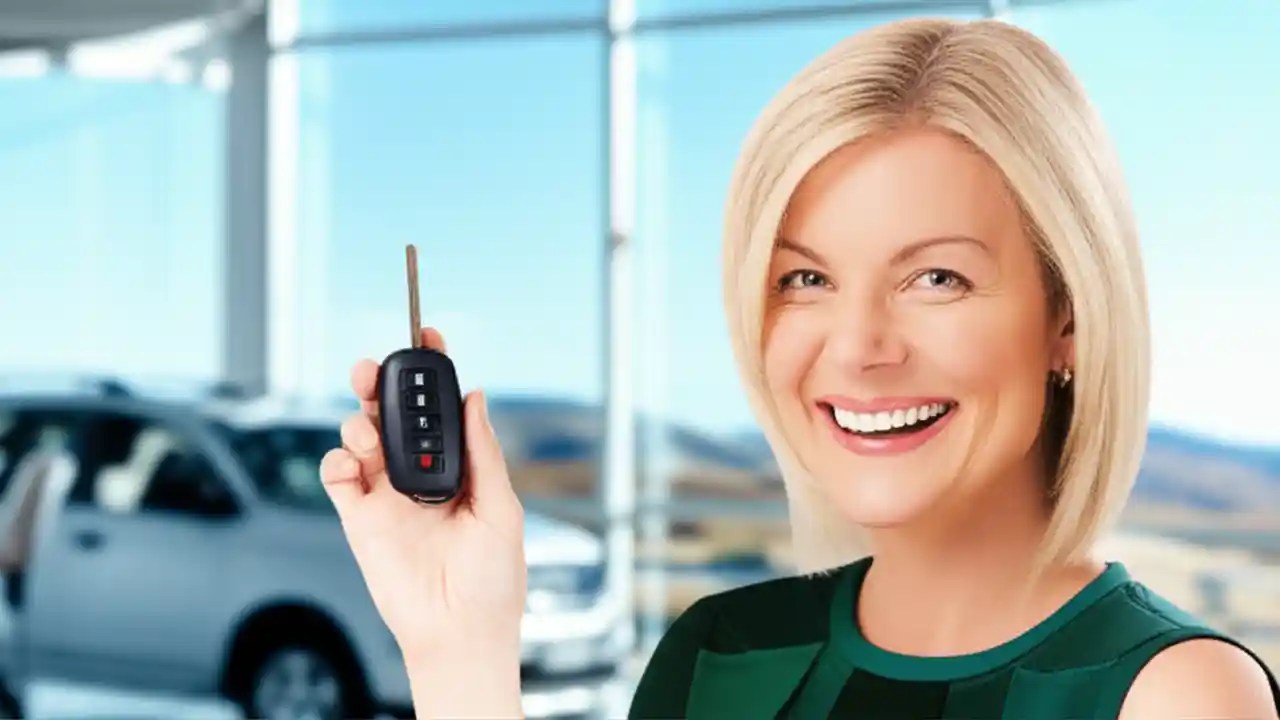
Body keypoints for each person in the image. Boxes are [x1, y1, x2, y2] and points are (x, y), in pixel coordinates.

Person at [319, 16, 1280, 720]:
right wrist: (458, 647)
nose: (859, 346)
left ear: (1066, 313)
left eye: (935, 277)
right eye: (807, 279)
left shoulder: (1174, 694)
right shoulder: (720, 655)